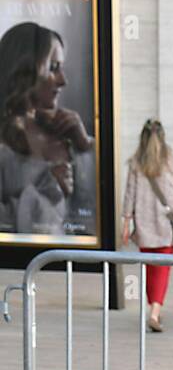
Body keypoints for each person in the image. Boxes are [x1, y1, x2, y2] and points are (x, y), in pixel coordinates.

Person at [0, 20, 96, 238]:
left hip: (71, 263)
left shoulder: (68, 133)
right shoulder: (4, 148)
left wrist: (85, 146)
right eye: (54, 68)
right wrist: (48, 191)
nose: (63, 81)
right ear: (24, 71)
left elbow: (94, 219)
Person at [121, 119, 173, 332]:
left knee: (150, 269)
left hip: (143, 225)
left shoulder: (136, 164)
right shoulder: (172, 162)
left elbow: (129, 196)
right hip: (166, 226)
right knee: (162, 270)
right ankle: (154, 311)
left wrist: (126, 224)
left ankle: (153, 308)